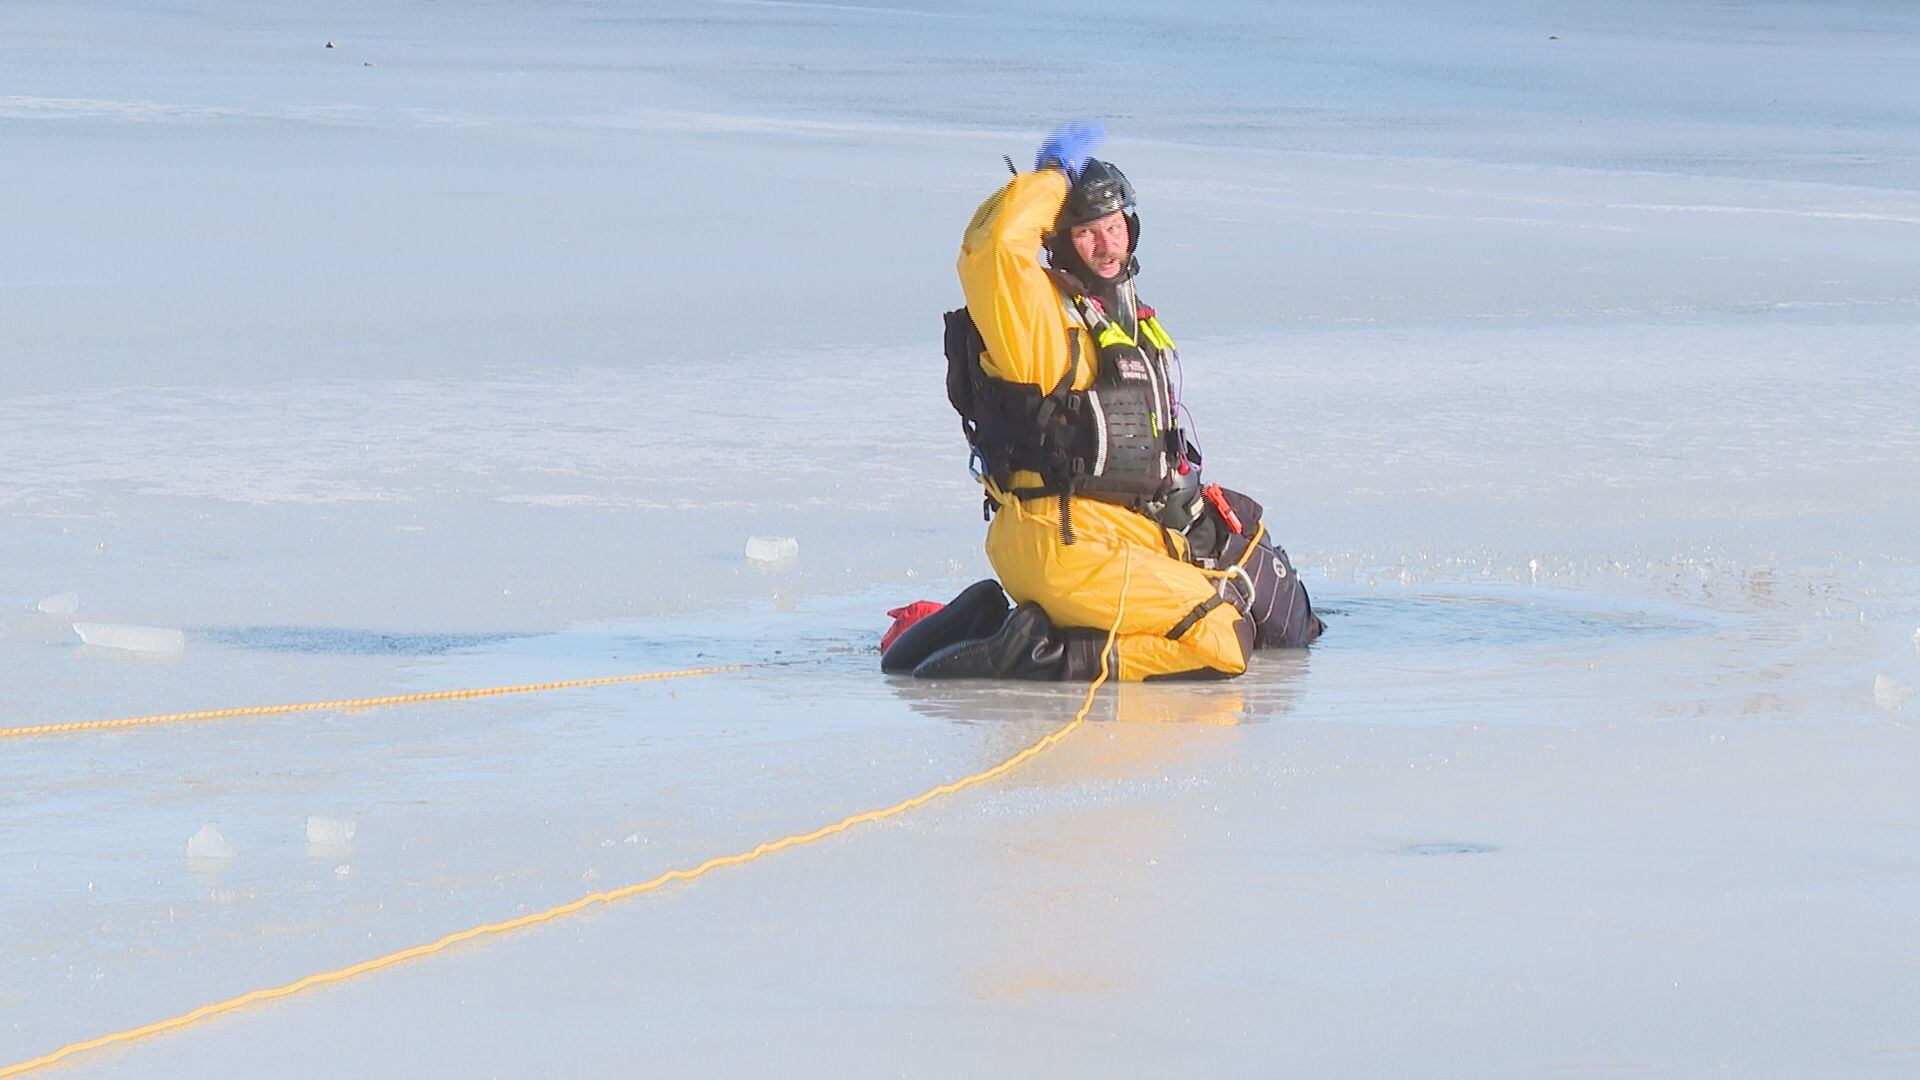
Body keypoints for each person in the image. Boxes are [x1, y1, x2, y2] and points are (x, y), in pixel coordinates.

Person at [882, 121, 1322, 681]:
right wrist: (1051, 179)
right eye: (1087, 231)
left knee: (1266, 601)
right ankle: (1036, 653)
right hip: (1055, 541)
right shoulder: (1035, 320)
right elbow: (992, 248)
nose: (1107, 244)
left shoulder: (1111, 316)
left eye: (1114, 226)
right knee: (1222, 632)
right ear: (1057, 238)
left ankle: (993, 624)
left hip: (1098, 532)